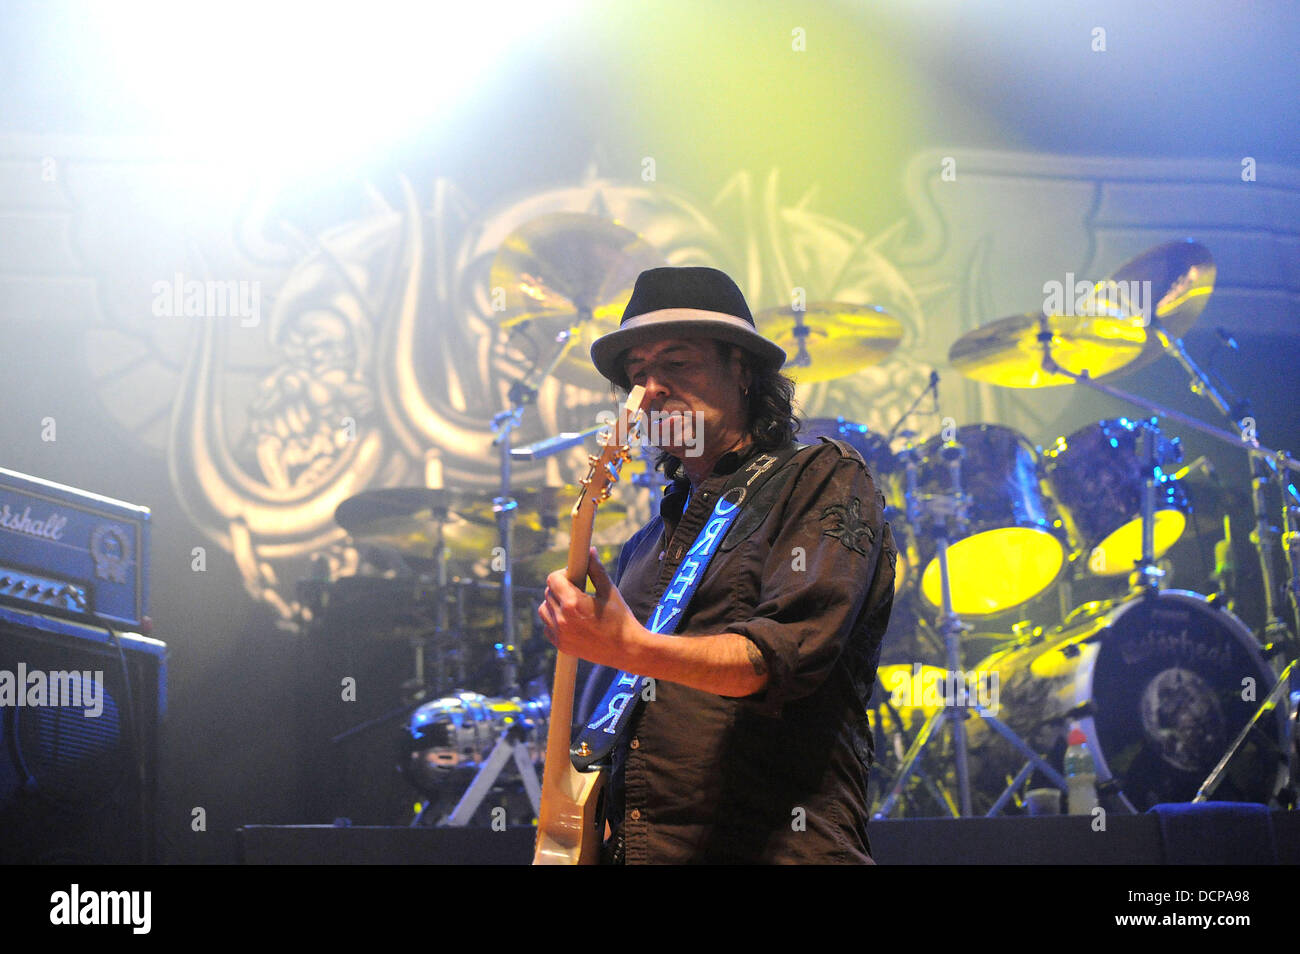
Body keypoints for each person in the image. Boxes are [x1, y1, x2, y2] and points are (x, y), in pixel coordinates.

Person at [537, 265, 896, 864]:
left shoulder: (821, 480)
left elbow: (775, 658)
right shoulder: (645, 544)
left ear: (744, 371)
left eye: (676, 364)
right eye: (637, 373)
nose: (650, 389)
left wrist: (627, 646)